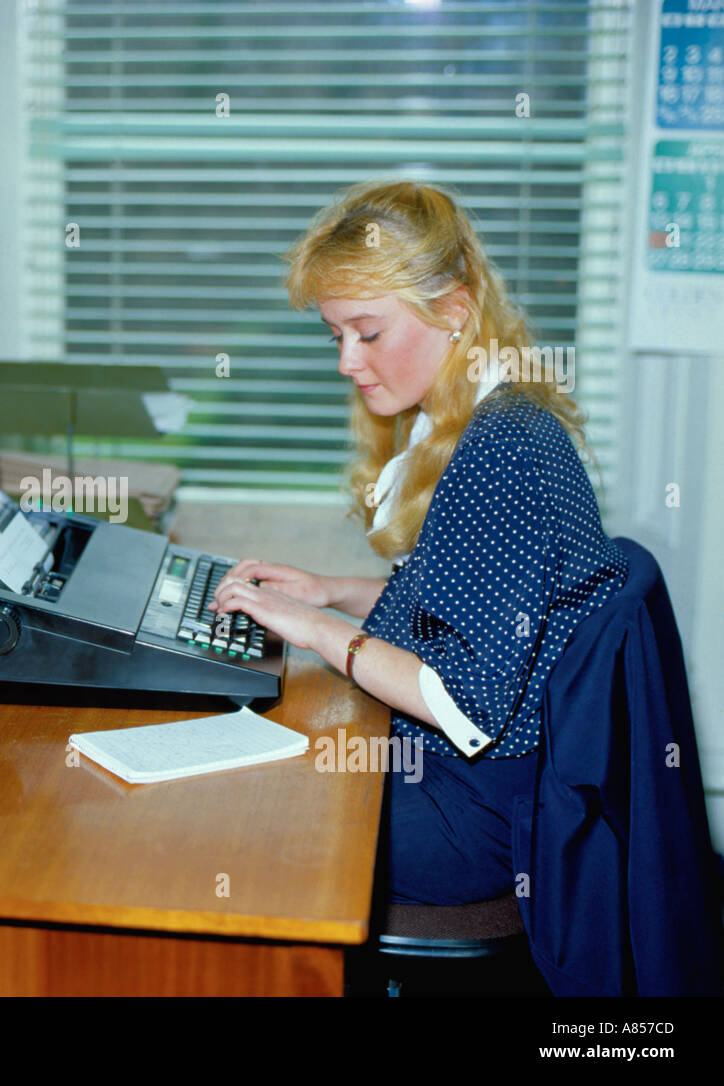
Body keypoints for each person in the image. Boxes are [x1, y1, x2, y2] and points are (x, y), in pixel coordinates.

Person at [209, 180, 627, 905]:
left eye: (367, 333)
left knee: (244, 817)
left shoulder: (505, 452)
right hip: (468, 780)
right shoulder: (479, 418)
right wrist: (331, 591)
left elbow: (466, 702)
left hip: (478, 813)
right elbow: (467, 603)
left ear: (454, 313)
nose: (347, 360)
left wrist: (316, 629)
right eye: (335, 335)